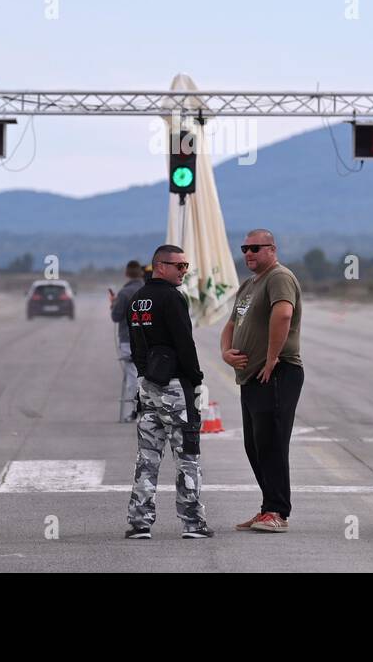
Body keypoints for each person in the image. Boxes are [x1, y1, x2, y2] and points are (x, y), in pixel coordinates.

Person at [125, 244, 211, 540]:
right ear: (160, 266)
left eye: (186, 266)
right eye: (179, 266)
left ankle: (140, 523)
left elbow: (135, 348)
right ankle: (192, 523)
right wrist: (196, 379)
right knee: (187, 455)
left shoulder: (137, 300)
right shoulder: (173, 299)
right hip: (174, 387)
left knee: (147, 457)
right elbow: (184, 343)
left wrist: (144, 376)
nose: (183, 271)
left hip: (147, 386)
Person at [220, 229, 303, 533]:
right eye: (244, 248)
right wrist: (226, 353)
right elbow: (232, 323)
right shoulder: (248, 285)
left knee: (272, 443)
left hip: (277, 372)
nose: (249, 254)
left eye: (255, 248)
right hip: (251, 376)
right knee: (255, 445)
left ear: (272, 249)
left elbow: (283, 315)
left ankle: (278, 512)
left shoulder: (278, 277)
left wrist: (271, 359)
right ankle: (268, 507)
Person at [108, 260, 144, 423]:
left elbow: (116, 316)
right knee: (146, 375)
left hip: (128, 340)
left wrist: (115, 304)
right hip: (149, 340)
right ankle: (148, 410)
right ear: (141, 273)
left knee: (132, 377)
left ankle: (137, 411)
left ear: (126, 274)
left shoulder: (124, 293)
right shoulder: (147, 290)